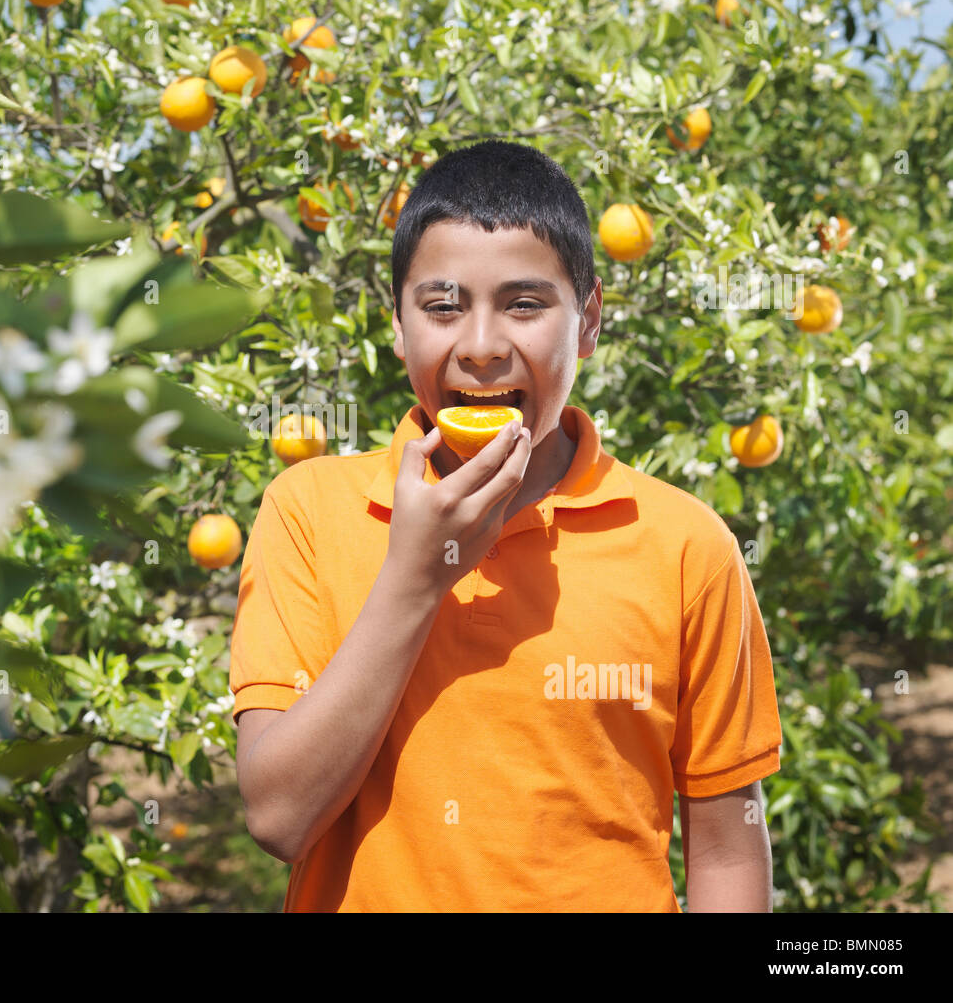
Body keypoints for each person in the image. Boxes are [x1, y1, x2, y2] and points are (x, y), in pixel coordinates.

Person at [230, 139, 782, 912]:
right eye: (442, 306)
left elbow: (726, 846)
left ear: (587, 322)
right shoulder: (309, 512)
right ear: (396, 325)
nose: (483, 347)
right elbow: (280, 814)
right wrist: (415, 578)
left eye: (524, 304)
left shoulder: (686, 546)